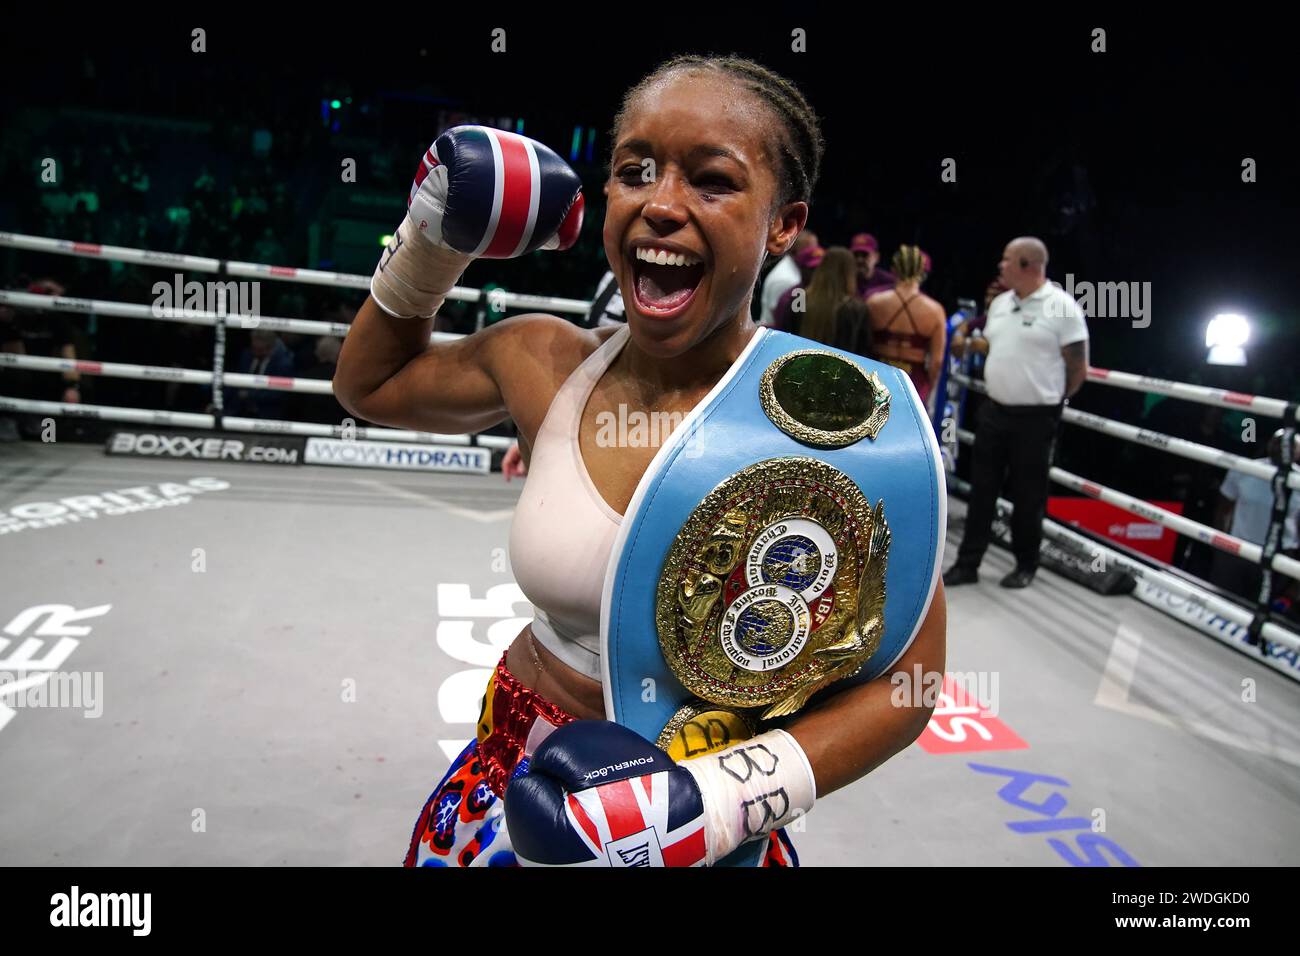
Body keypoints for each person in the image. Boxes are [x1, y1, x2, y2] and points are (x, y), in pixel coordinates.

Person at [334, 54, 946, 868]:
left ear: (784, 224)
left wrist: (709, 807)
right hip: (507, 775)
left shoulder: (839, 425)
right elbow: (369, 385)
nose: (661, 204)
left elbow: (910, 685)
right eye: (635, 171)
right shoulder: (545, 361)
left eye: (712, 181)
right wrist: (429, 243)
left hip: (711, 815)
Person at [943, 237, 1088, 589]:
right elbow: (997, 346)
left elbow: (1078, 367)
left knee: (1028, 496)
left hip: (1036, 418)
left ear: (1027, 265)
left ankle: (1026, 564)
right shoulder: (1001, 304)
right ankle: (967, 563)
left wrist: (1051, 401)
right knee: (982, 491)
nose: (1000, 266)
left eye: (1007, 261)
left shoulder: (1062, 307)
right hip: (994, 410)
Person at [1211, 429, 1300, 602]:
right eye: (1278, 443)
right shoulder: (1246, 468)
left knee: (1261, 607)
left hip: (1279, 554)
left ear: (1297, 452)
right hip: (1237, 548)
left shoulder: (1298, 481)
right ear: (1269, 445)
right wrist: (1219, 544)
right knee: (1222, 601)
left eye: (1290, 446)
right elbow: (1223, 507)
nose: (1282, 448)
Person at [866, 246, 946, 405]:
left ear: (894, 269)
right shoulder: (935, 311)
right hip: (913, 382)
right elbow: (936, 363)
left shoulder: (874, 302)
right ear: (922, 272)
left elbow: (863, 346)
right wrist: (930, 390)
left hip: (877, 377)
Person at [788, 246, 872, 356]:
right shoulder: (857, 308)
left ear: (821, 267)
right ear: (850, 272)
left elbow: (788, 335)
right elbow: (864, 351)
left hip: (802, 363)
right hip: (839, 370)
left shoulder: (799, 298)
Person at [758, 228, 818, 326]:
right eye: (810, 250)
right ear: (797, 251)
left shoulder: (796, 271)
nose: (815, 253)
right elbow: (791, 319)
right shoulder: (787, 279)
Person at [769, 242, 823, 332]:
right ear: (801, 268)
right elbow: (796, 329)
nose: (817, 273)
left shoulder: (822, 292)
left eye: (821, 268)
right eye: (812, 269)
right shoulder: (798, 294)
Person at [851, 232, 895, 300]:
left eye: (864, 255)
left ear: (877, 257)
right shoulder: (845, 280)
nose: (859, 260)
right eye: (855, 255)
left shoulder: (889, 282)